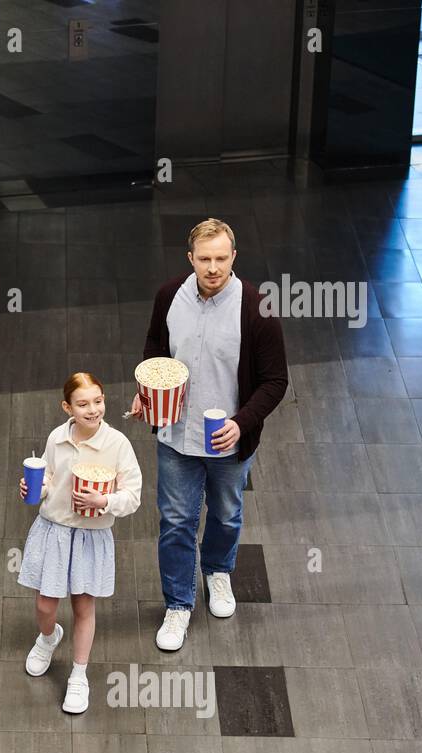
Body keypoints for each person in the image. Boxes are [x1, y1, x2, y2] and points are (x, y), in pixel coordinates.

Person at [130, 218, 288, 652]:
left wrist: (242, 422)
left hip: (228, 440)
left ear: (234, 257)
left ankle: (218, 571)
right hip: (176, 437)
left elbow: (275, 382)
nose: (213, 268)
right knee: (176, 522)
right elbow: (154, 352)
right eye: (205, 259)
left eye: (221, 258)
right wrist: (147, 395)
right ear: (190, 259)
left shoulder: (258, 308)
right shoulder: (169, 297)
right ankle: (178, 604)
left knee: (225, 515)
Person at [17, 372, 141, 713]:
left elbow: (133, 496)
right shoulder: (58, 437)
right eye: (83, 404)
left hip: (90, 536)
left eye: (98, 401)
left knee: (83, 607)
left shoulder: (117, 445)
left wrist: (104, 503)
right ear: (67, 407)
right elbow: (51, 480)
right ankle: (48, 637)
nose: (93, 410)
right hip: (54, 530)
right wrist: (35, 489)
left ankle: (79, 675)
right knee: (45, 605)